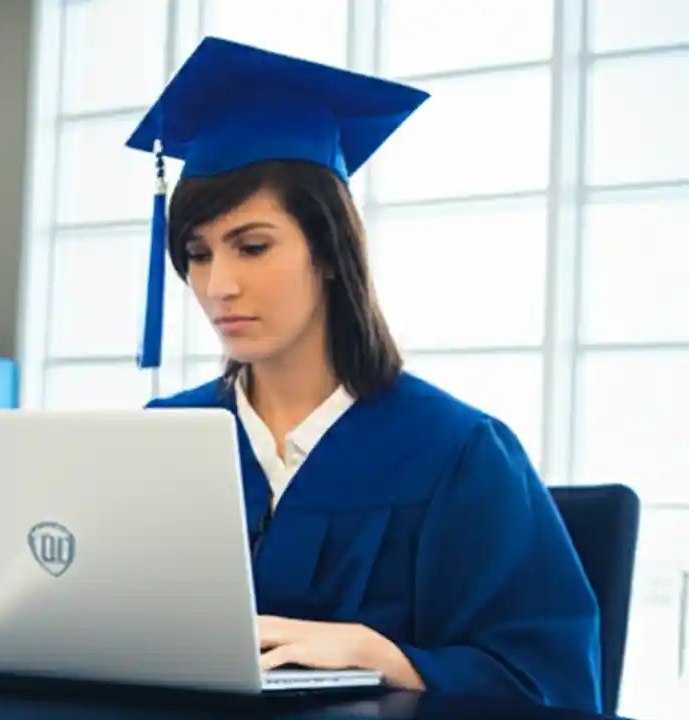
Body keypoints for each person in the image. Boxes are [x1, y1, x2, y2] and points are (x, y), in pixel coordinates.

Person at [130, 37, 602, 712]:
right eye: (198, 254)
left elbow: (550, 685)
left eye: (253, 246)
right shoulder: (166, 438)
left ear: (328, 250)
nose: (217, 286)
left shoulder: (456, 452)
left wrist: (386, 657)